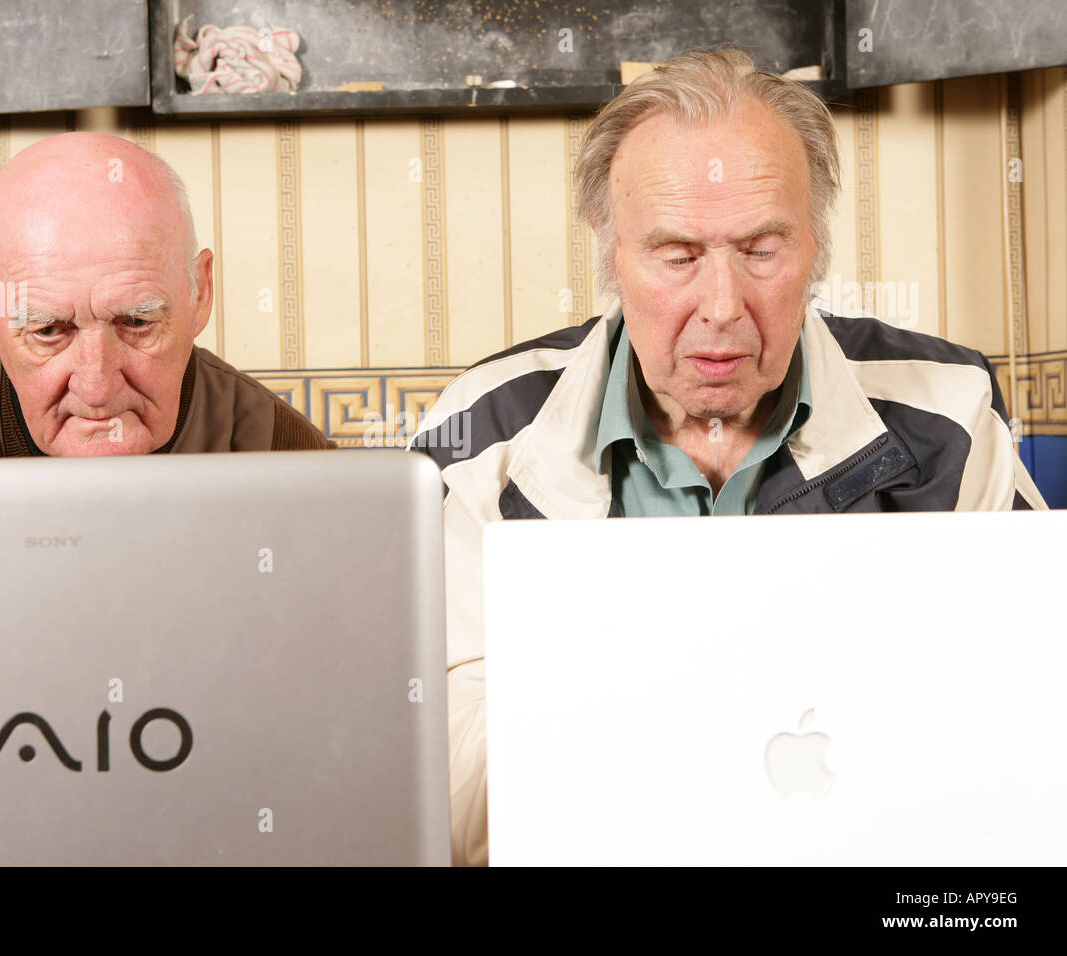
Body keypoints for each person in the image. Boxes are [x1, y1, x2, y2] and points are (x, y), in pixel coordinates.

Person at [409, 48, 1050, 867]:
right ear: (610, 254)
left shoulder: (948, 415)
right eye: (677, 256)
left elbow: (1028, 724)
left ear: (816, 246)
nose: (720, 307)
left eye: (761, 251)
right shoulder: (481, 439)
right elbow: (451, 789)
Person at [0, 132, 331, 460]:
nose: (97, 389)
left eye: (137, 323)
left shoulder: (293, 457)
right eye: (49, 330)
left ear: (201, 292)